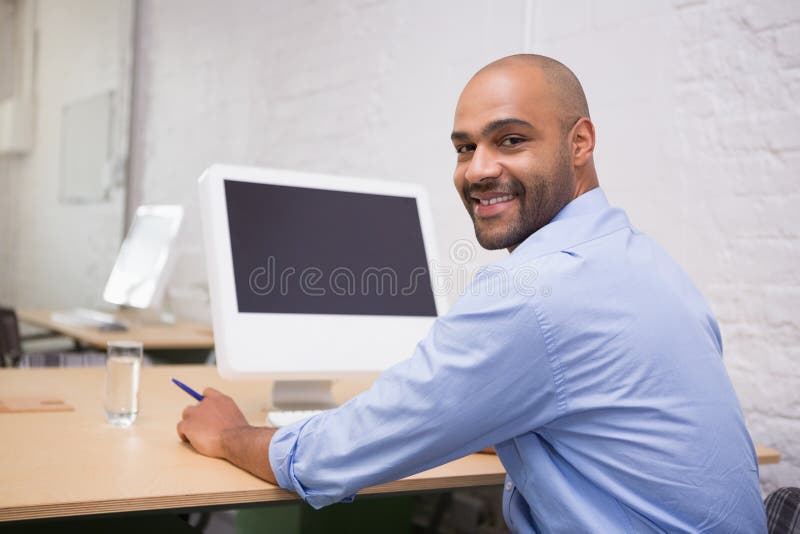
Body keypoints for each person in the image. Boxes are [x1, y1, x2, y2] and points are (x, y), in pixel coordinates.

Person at [178, 54, 767, 532]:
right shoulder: (648, 262)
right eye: (464, 147)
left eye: (510, 140)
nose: (476, 170)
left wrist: (228, 433)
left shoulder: (532, 293)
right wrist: (493, 421)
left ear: (580, 142)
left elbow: (327, 460)